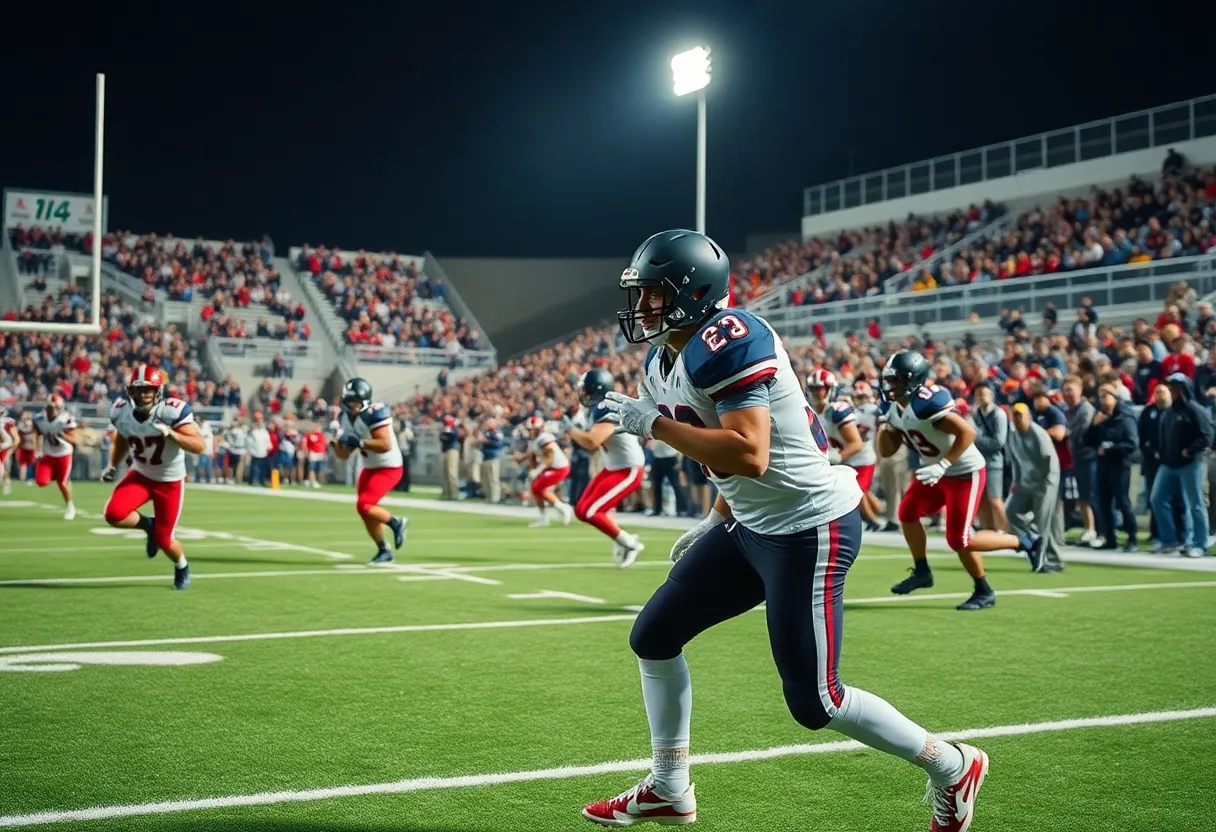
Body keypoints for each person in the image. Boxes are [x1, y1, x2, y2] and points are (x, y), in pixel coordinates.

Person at [584, 229, 989, 832]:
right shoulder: (662, 357)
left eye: (653, 293)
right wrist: (714, 518)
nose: (642, 306)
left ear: (694, 293)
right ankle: (670, 787)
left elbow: (750, 453)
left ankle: (951, 764)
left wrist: (654, 428)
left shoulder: (730, 338)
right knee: (654, 635)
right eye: (639, 293)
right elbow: (720, 455)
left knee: (814, 702)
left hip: (809, 528)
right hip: (750, 525)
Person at [880, 351, 1038, 611]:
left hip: (963, 471)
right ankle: (922, 572)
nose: (890, 385)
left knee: (959, 539)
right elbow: (886, 450)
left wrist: (943, 464)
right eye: (889, 379)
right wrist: (885, 425)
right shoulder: (894, 406)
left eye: (896, 379)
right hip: (935, 471)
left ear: (913, 380)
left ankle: (1017, 550)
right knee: (907, 512)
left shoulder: (927, 403)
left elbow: (968, 432)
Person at [101, 365, 206, 590]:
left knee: (165, 540)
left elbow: (199, 445)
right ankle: (148, 524)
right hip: (140, 475)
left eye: (150, 388)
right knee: (113, 514)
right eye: (140, 389)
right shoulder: (121, 411)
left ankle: (181, 566)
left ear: (158, 390)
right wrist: (113, 465)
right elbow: (122, 436)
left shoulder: (171, 412)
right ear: (131, 391)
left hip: (169, 482)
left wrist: (173, 434)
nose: (145, 393)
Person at [565, 369, 645, 566]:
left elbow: (593, 442)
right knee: (582, 510)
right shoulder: (598, 408)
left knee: (592, 511)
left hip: (629, 468)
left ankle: (630, 543)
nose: (582, 394)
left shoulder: (607, 407)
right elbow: (594, 445)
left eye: (585, 389)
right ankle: (622, 537)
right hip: (613, 466)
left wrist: (570, 430)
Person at [331, 377, 407, 564]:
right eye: (347, 400)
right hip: (371, 466)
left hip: (389, 467)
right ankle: (384, 549)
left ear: (362, 400)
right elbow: (344, 455)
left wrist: (360, 442)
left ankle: (396, 522)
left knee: (365, 505)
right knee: (364, 509)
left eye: (352, 400)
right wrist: (336, 443)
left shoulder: (374, 413)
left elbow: (385, 444)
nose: (349, 404)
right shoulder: (347, 417)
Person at [807, 369, 879, 531]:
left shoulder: (836, 411)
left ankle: (874, 521)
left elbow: (856, 443)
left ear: (829, 389)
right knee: (859, 492)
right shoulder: (810, 412)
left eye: (819, 388)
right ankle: (877, 515)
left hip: (859, 457)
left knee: (856, 492)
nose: (815, 392)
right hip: (842, 459)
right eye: (812, 388)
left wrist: (838, 456)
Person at [1151, 373, 1213, 557]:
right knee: (1157, 498)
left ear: (1184, 387)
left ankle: (1199, 544)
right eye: (1171, 386)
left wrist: (1190, 450)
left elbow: (1206, 436)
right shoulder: (1168, 412)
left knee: (1195, 503)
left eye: (1176, 386)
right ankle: (1169, 540)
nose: (1172, 390)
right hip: (1169, 464)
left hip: (1192, 463)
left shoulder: (1195, 410)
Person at [1005, 404, 1064, 572]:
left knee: (1043, 521)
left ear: (1028, 416)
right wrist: (1016, 481)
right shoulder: (1012, 435)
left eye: (1020, 415)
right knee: (1011, 512)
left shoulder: (1038, 433)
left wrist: (1045, 483)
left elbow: (1048, 460)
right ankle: (1031, 537)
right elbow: (1015, 459)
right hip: (1026, 480)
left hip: (1047, 480)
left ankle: (1043, 561)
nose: (1017, 419)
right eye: (1015, 415)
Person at [1083, 384, 1139, 551]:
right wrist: (1094, 424)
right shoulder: (1100, 417)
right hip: (1103, 466)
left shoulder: (1125, 418)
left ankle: (1132, 538)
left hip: (1119, 466)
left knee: (1123, 502)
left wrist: (1109, 448)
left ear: (1115, 398)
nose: (1102, 400)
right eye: (1100, 396)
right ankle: (1110, 538)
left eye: (1106, 396)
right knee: (1103, 503)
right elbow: (1088, 441)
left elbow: (1131, 443)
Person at [1061, 377, 1098, 545]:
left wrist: (1066, 434)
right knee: (1081, 496)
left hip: (1088, 457)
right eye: (1065, 390)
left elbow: (1081, 432)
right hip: (1074, 458)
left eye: (1071, 389)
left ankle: (1094, 529)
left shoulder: (1086, 409)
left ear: (1080, 390)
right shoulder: (1067, 411)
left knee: (1089, 495)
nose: (1067, 393)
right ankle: (1087, 528)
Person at [969, 382, 1009, 533]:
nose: (981, 397)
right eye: (978, 394)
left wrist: (976, 438)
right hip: (979, 462)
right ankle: (987, 530)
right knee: (981, 500)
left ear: (991, 395)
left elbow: (998, 442)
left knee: (995, 499)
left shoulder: (999, 414)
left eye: (984, 393)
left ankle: (1005, 530)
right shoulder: (976, 413)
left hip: (994, 463)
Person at [32, 394, 79, 520]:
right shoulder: (39, 418)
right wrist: (37, 449)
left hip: (64, 454)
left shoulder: (65, 420)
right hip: (48, 454)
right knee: (41, 482)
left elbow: (75, 439)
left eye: (56, 407)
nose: (53, 410)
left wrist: (63, 435)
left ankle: (70, 506)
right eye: (51, 407)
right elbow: (36, 433)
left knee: (62, 483)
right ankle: (57, 476)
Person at [523, 415, 573, 527]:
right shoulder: (535, 440)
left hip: (560, 467)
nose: (531, 431)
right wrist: (522, 460)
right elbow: (532, 456)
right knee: (536, 489)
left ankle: (563, 508)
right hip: (552, 467)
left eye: (533, 429)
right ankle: (545, 516)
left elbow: (550, 456)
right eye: (530, 429)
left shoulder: (545, 437)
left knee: (537, 487)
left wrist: (537, 470)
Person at [0, 406, 17, 495]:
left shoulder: (6, 423)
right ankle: (7, 482)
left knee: (2, 465)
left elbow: (15, 439)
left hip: (4, 447)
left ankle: (7, 482)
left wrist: (10, 446)